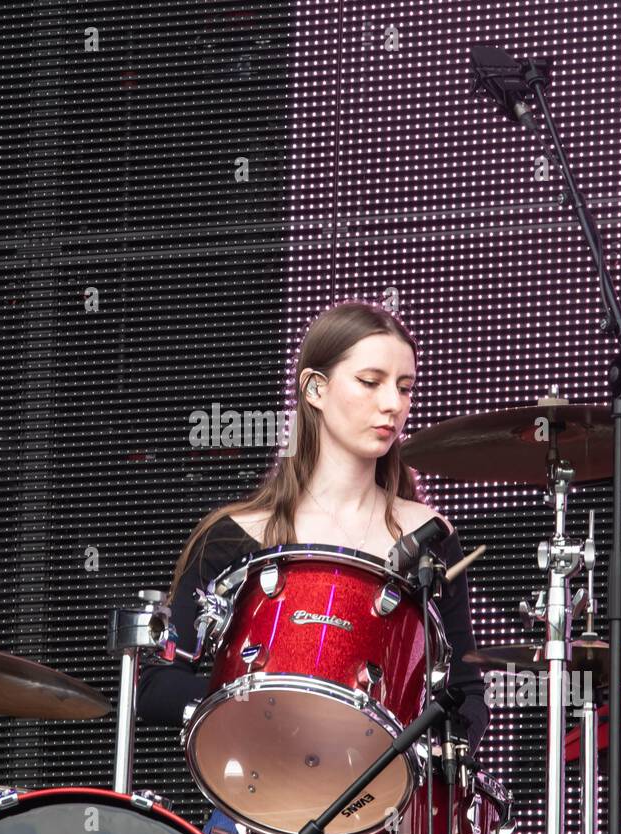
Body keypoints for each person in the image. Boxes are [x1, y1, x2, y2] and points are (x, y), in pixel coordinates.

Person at [137, 300, 490, 807]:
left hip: (379, 809)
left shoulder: (430, 537)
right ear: (315, 389)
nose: (393, 403)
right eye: (370, 382)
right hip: (254, 800)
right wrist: (266, 710)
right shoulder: (234, 536)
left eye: (405, 387)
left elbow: (465, 692)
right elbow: (157, 685)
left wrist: (431, 747)